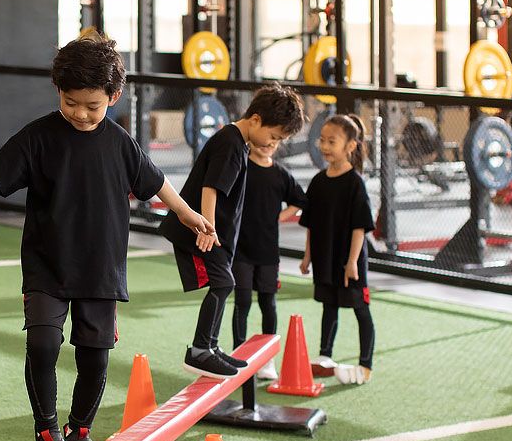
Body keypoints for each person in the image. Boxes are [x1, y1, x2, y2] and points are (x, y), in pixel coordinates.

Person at [0, 34, 214, 441]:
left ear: (114, 96)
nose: (81, 114)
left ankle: (80, 431)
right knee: (44, 344)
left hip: (101, 269)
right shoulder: (39, 137)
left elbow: (155, 182)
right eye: (71, 103)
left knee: (95, 356)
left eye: (93, 106)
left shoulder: (120, 143)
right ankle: (48, 432)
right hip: (47, 265)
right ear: (58, 91)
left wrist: (188, 215)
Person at [159, 84, 305, 379]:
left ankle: (210, 347)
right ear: (256, 120)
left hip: (216, 233)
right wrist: (207, 228)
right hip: (202, 230)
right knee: (224, 283)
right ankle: (200, 350)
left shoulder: (239, 143)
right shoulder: (231, 142)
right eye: (274, 136)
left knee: (224, 283)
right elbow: (211, 187)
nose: (273, 143)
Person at [298, 113, 376, 385]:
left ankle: (365, 365)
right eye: (322, 140)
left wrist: (352, 261)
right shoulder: (318, 181)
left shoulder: (355, 183)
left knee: (361, 310)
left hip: (348, 262)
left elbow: (359, 228)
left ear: (350, 146)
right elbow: (311, 223)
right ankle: (325, 355)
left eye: (332, 141)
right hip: (325, 258)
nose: (325, 146)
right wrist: (308, 256)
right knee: (328, 305)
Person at [231, 137, 307, 381]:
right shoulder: (241, 169)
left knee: (268, 303)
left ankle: (267, 359)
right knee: (242, 301)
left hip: (267, 252)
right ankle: (237, 356)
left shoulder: (280, 174)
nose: (267, 143)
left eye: (273, 140)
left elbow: (300, 200)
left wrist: (279, 216)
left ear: (279, 142)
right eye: (264, 139)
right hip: (241, 250)